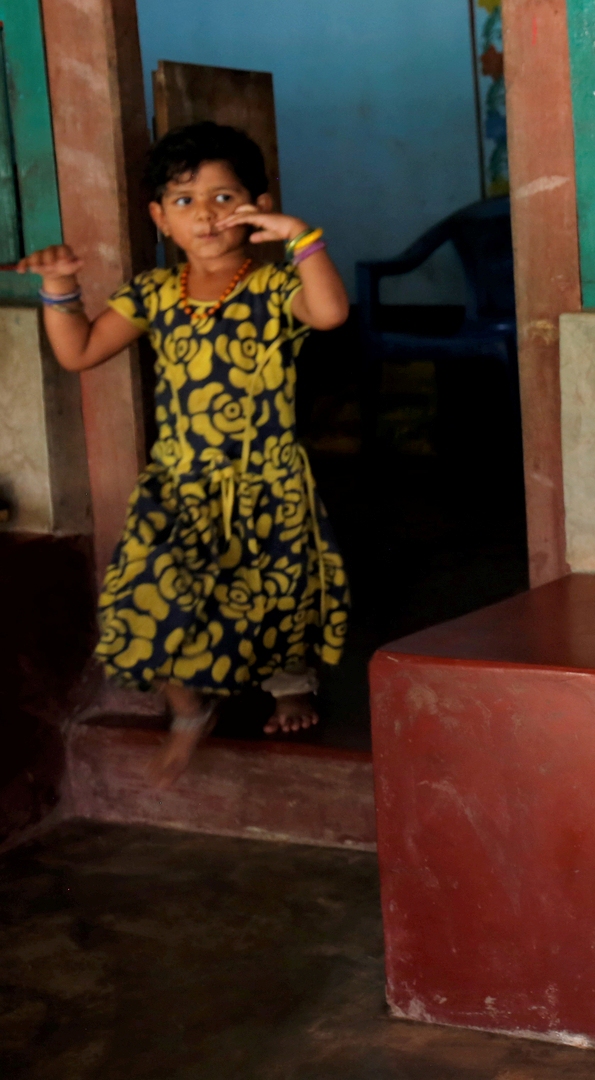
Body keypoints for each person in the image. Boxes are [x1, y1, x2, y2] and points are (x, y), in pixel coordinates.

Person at [17, 121, 352, 783]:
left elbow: (330, 313)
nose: (205, 214)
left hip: (265, 480)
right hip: (180, 484)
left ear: (257, 203)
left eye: (226, 198)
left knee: (271, 594)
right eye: (184, 201)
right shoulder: (153, 294)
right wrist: (58, 287)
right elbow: (78, 350)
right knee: (147, 593)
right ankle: (189, 706)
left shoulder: (272, 287)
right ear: (158, 217)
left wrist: (303, 241)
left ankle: (288, 685)